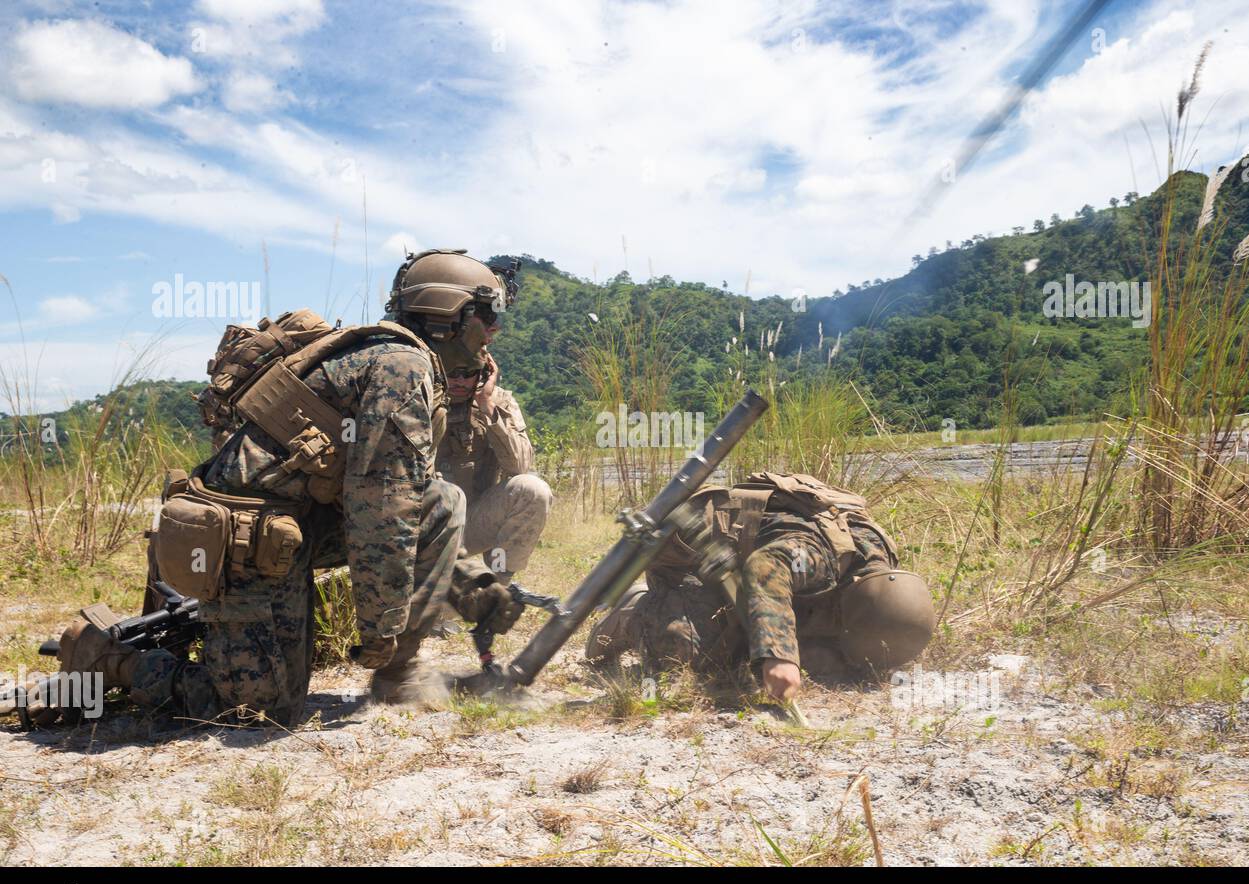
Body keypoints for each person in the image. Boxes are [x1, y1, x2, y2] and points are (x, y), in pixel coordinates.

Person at [54, 250, 521, 726]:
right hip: (247, 543)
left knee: (443, 501)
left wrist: (473, 583)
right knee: (256, 713)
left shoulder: (401, 362)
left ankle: (399, 676)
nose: (494, 331)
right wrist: (381, 627)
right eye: (487, 316)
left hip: (296, 524)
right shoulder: (401, 367)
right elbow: (383, 507)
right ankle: (108, 656)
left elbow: (411, 499)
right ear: (448, 316)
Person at [584, 472, 935, 702]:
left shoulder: (879, 564)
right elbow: (767, 567)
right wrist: (779, 657)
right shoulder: (818, 557)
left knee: (771, 652)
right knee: (689, 650)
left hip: (743, 560)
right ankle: (630, 615)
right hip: (689, 548)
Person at [434, 335, 552, 582]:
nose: (459, 380)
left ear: (484, 372)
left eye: (468, 372)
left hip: (474, 522)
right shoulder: (424, 399)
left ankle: (498, 589)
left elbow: (519, 466)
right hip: (427, 528)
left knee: (532, 490)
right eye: (452, 372)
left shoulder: (498, 401)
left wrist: (486, 405)